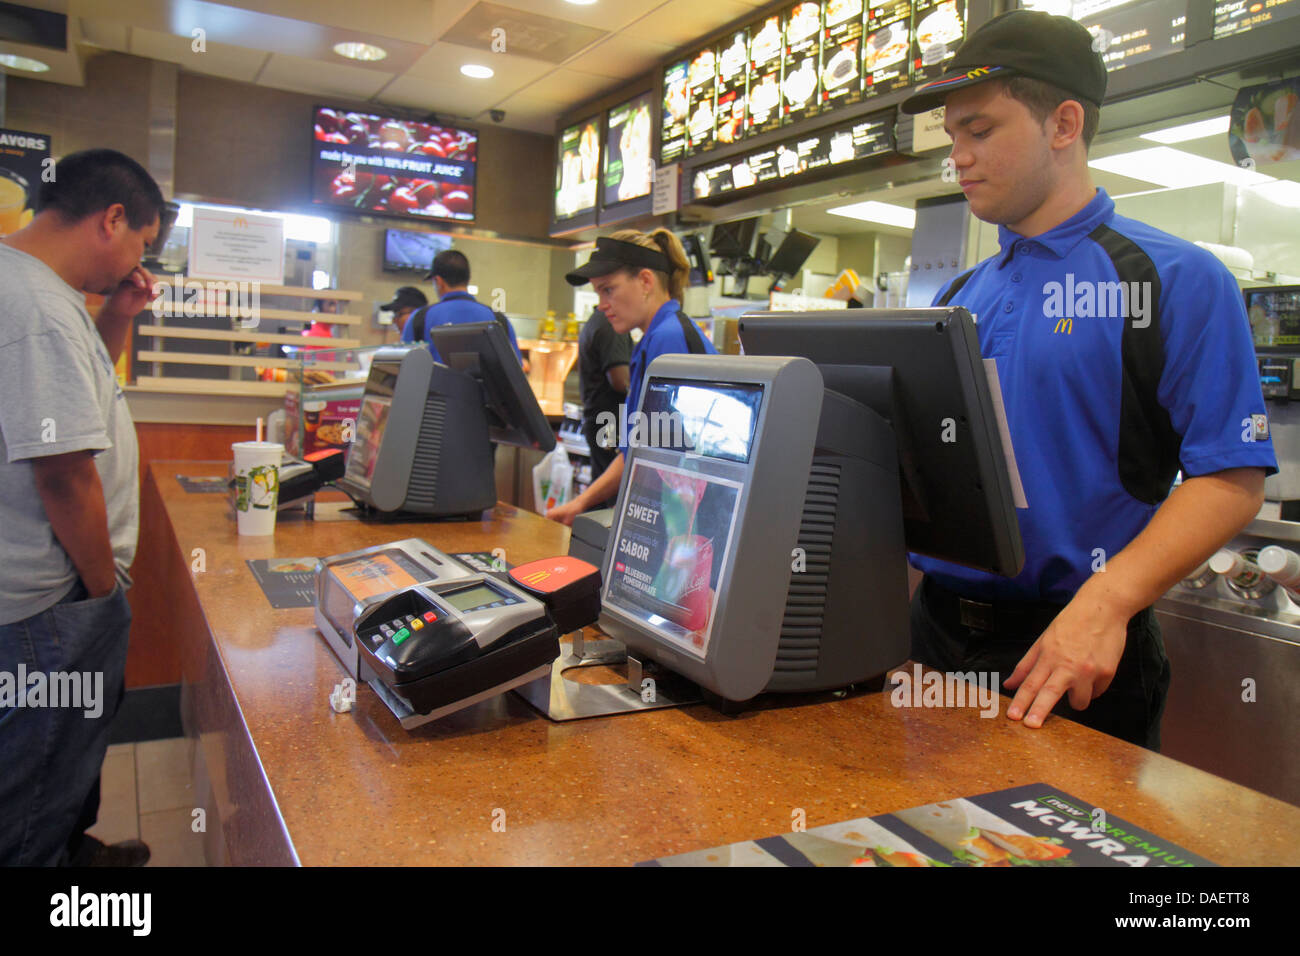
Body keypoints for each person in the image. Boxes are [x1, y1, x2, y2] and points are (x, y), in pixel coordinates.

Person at [899, 10, 1277, 749]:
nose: (959, 158)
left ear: (1063, 124)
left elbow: (1232, 477)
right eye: (953, 139)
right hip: (935, 631)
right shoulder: (959, 296)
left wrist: (1107, 604)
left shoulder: (1174, 278)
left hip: (1076, 651)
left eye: (980, 131)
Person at [0, 148, 164, 865]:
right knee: (33, 784)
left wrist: (118, 315)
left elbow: (76, 399)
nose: (137, 263)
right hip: (50, 601)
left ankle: (74, 851)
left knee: (62, 763)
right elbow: (64, 475)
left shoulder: (45, 292)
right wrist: (103, 593)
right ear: (113, 218)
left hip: (53, 595)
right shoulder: (35, 307)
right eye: (142, 243)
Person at [547, 229, 717, 525]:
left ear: (646, 281)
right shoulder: (654, 339)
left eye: (608, 289)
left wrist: (582, 504)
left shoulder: (668, 340)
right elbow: (639, 449)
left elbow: (662, 455)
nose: (601, 304)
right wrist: (580, 505)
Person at [401, 248, 523, 366]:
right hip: (483, 388)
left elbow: (405, 367)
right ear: (467, 278)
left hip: (433, 387)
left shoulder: (419, 318)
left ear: (439, 281)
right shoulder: (498, 319)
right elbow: (515, 369)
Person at [577, 307, 632, 485]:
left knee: (599, 490)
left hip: (600, 420)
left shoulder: (597, 321)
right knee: (610, 493)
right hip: (609, 423)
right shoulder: (611, 325)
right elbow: (620, 380)